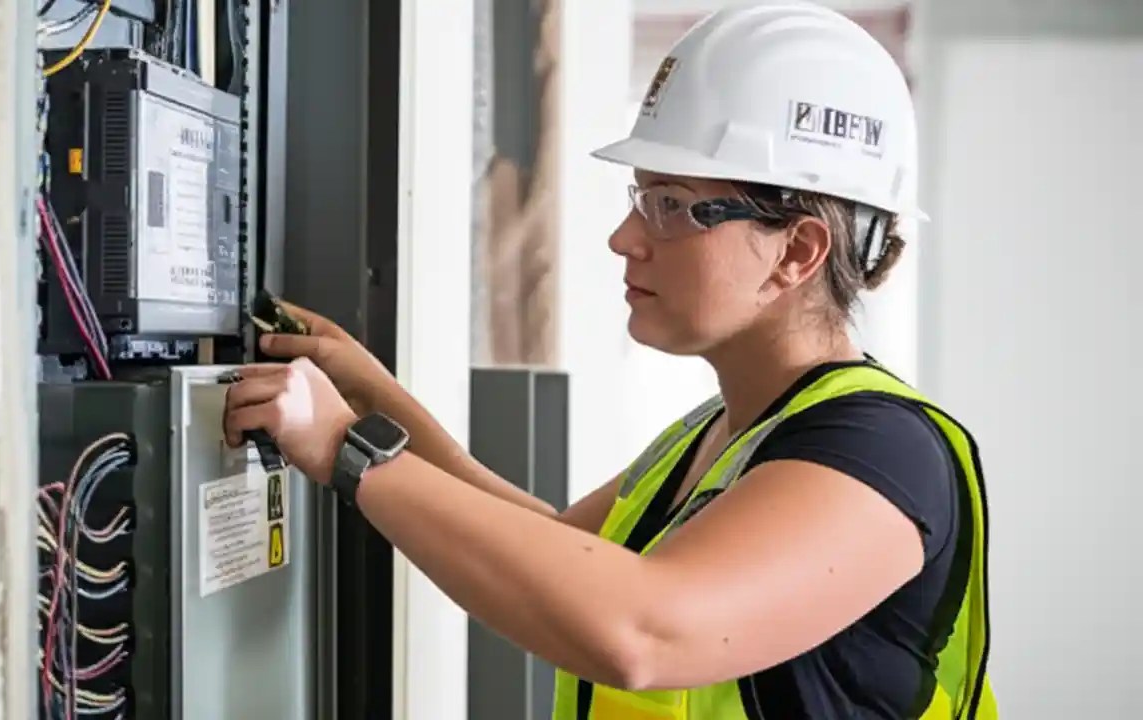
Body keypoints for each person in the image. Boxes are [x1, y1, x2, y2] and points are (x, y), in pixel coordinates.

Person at [223, 1, 998, 718]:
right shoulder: (721, 432)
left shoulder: (886, 457)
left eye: (670, 204)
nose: (626, 238)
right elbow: (556, 550)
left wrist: (344, 451)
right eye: (640, 198)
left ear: (795, 250)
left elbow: (641, 629)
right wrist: (373, 404)